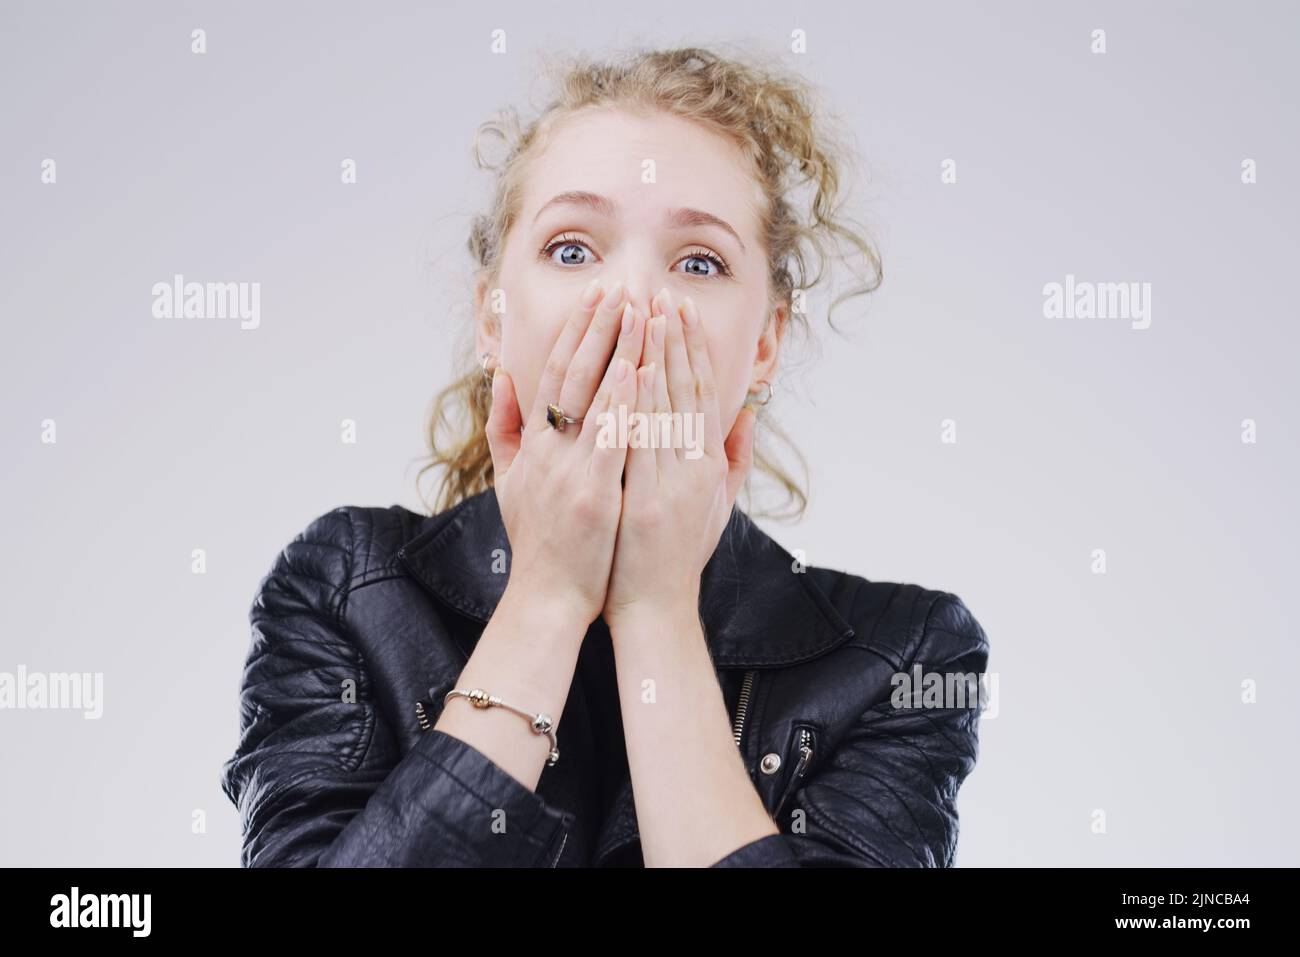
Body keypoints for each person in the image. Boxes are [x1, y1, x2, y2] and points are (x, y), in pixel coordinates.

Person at [220, 45, 990, 867]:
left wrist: (657, 610)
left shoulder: (905, 653)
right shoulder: (346, 585)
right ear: (492, 318)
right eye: (572, 249)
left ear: (765, 343)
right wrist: (547, 593)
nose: (632, 300)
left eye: (699, 262)